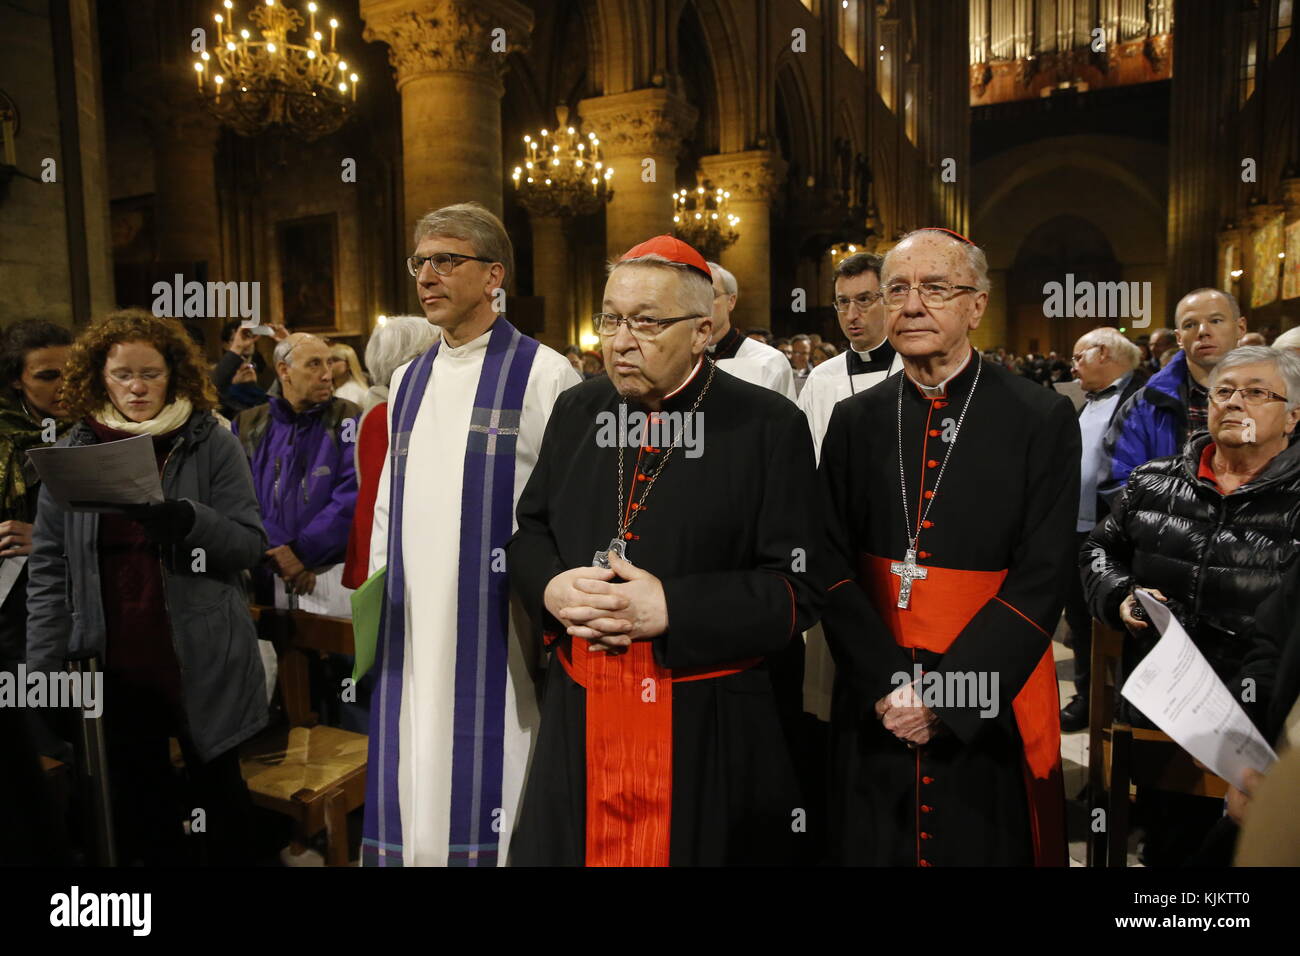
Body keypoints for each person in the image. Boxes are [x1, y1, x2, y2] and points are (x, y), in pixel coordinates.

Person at [507, 235, 822, 866]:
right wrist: (550, 587)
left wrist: (674, 606)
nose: (620, 340)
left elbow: (800, 590)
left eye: (647, 323)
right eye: (611, 318)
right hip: (583, 710)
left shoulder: (767, 425)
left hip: (703, 722)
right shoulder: (577, 409)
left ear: (704, 330)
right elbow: (530, 532)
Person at [819, 227, 1080, 866]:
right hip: (876, 690)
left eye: (934, 289)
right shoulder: (856, 421)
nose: (910, 306)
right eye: (897, 290)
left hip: (988, 692)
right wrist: (887, 683)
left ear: (976, 305)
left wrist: (948, 696)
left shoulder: (1039, 418)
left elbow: (1043, 578)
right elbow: (826, 560)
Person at [363, 202, 579, 867]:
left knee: (497, 756)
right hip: (410, 612)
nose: (428, 276)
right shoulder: (407, 378)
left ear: (493, 276)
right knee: (413, 752)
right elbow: (386, 503)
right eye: (420, 262)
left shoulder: (544, 375)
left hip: (498, 616)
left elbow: (567, 509)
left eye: (446, 261)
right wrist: (376, 597)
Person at [26, 308, 268, 865]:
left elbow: (250, 545)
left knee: (221, 812)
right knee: (141, 816)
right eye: (123, 375)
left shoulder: (211, 441)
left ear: (174, 373)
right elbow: (48, 570)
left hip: (201, 658)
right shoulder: (72, 451)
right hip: (116, 666)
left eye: (151, 374)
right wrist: (41, 670)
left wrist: (189, 521)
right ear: (99, 377)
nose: (137, 387)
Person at [1082, 345, 1300, 864]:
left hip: (1262, 722)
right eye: (1223, 391)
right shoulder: (1155, 480)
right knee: (1171, 852)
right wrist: (1119, 596)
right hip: (1165, 709)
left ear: (1293, 415)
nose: (1234, 403)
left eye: (1256, 393)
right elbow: (1098, 550)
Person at [1058, 327, 1149, 733]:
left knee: (1120, 620)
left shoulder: (1142, 398)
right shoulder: (1083, 399)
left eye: (1079, 356)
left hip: (1114, 530)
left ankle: (1123, 705)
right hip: (1076, 527)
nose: (1072, 365)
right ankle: (1086, 696)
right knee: (1079, 617)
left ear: (1105, 353)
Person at [232, 333, 359, 615]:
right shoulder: (247, 424)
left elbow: (352, 495)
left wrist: (302, 553)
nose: (327, 375)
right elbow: (237, 498)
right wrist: (280, 554)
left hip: (327, 572)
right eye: (314, 364)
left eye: (329, 363)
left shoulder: (349, 418)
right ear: (283, 370)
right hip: (265, 572)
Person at [1101, 288, 1245, 500]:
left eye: (1215, 320)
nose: (1203, 331)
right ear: (1179, 338)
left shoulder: (1277, 397)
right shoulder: (1144, 405)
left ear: (1240, 327)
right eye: (1190, 324)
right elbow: (1119, 481)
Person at [343, 316, 440, 588]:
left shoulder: (394, 409)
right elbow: (379, 504)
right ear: (410, 360)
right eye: (434, 350)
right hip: (392, 570)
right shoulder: (383, 416)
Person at [705, 261, 796, 400]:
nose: (700, 303)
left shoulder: (770, 362)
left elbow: (784, 420)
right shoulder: (674, 359)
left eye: (710, 294)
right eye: (692, 296)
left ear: (731, 301)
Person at [210, 319, 286, 419]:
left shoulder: (265, 372)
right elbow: (213, 388)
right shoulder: (221, 371)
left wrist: (286, 344)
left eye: (249, 336)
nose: (246, 342)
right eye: (236, 338)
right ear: (225, 345)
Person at [329, 341, 370, 406]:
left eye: (335, 360)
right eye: (328, 360)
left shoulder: (349, 391)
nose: (329, 364)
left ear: (348, 364)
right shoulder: (336, 389)